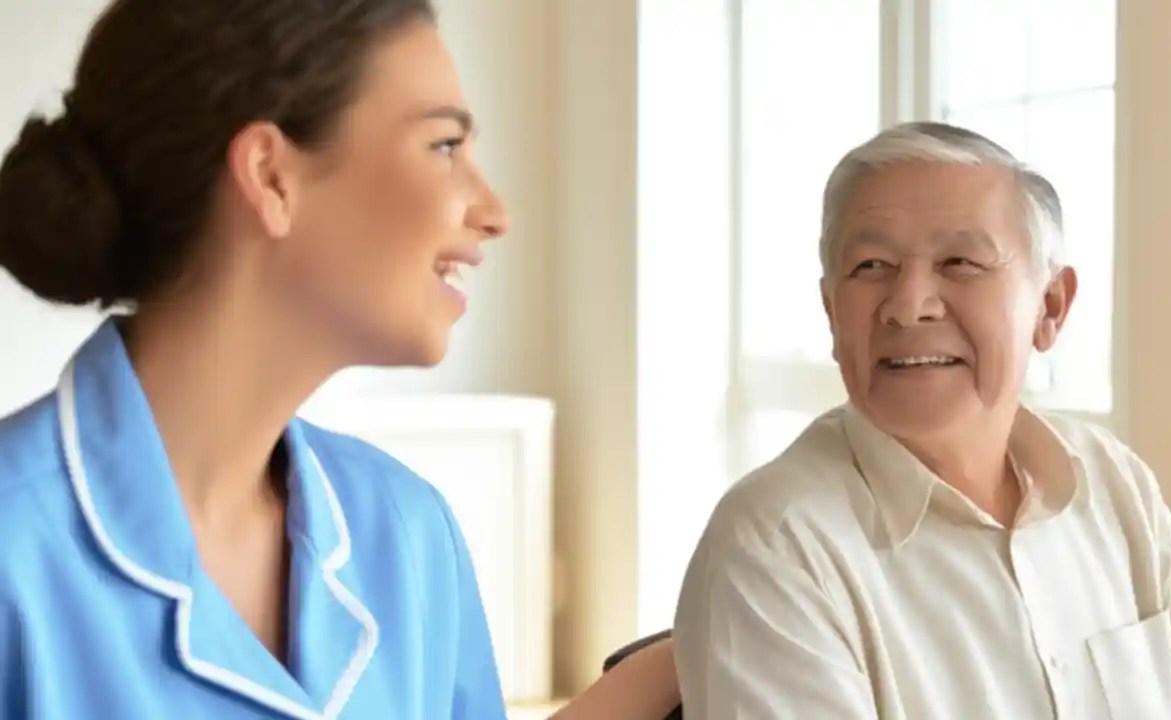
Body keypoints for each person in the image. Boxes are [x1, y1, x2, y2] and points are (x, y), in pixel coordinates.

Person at [0, 0, 678, 717]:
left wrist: (706, 633)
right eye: (445, 146)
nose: (493, 211)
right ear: (270, 176)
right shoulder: (16, 550)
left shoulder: (409, 531)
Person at [673, 122, 1171, 718]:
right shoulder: (777, 546)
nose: (909, 305)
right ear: (832, 311)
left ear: (1050, 307)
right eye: (871, 267)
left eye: (960, 261)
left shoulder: (1109, 482)